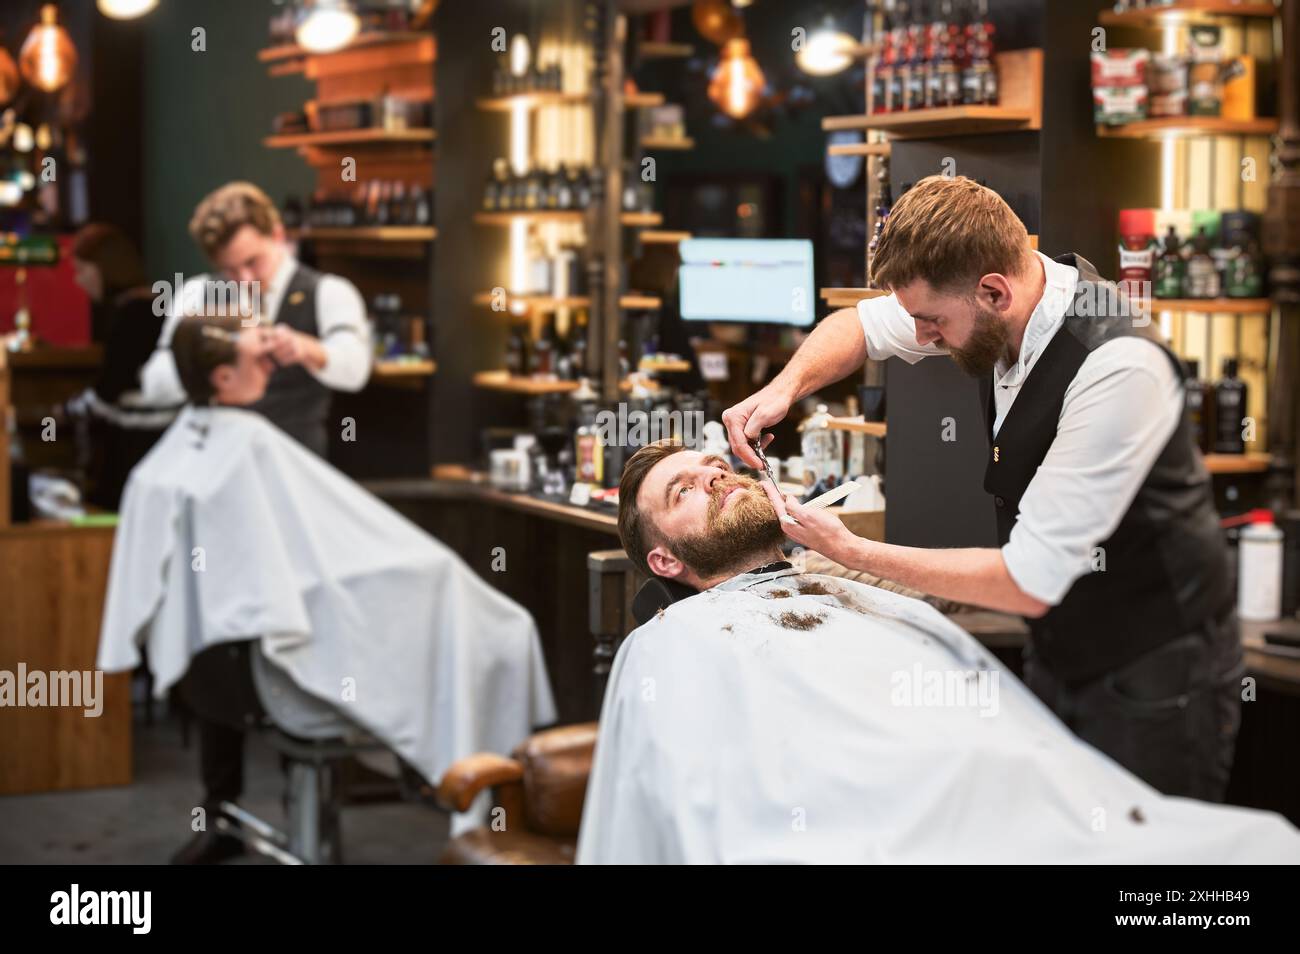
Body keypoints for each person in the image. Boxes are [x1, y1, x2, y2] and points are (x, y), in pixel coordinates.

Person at [722, 175, 1240, 802]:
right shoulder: (984, 291)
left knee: (1150, 874)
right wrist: (784, 391)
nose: (919, 338)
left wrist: (850, 551)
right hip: (1062, 647)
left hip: (1157, 667)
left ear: (994, 291)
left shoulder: (1117, 367)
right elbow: (858, 326)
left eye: (932, 322)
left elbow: (1030, 579)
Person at [575, 441, 1300, 864]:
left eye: (715, 466)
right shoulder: (668, 647)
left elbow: (984, 585)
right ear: (666, 562)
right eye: (684, 490)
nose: (715, 475)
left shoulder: (842, 582)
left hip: (1020, 794)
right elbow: (682, 804)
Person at [99, 317, 555, 864]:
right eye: (257, 356)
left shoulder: (180, 451)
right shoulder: (247, 447)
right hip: (268, 678)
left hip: (217, 672)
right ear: (223, 378)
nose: (271, 361)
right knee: (499, 623)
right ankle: (490, 790)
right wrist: (432, 569)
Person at [139, 181, 372, 457]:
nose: (244, 279)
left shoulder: (328, 291)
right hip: (219, 462)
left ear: (277, 234)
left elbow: (356, 370)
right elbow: (154, 384)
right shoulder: (198, 293)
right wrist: (207, 357)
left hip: (295, 461)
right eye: (229, 269)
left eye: (252, 262)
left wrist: (305, 349)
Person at [62, 224, 178, 510]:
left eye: (82, 270)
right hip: (168, 437)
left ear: (103, 268)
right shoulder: (158, 302)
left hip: (137, 443)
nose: (79, 281)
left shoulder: (130, 313)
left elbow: (111, 388)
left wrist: (70, 409)